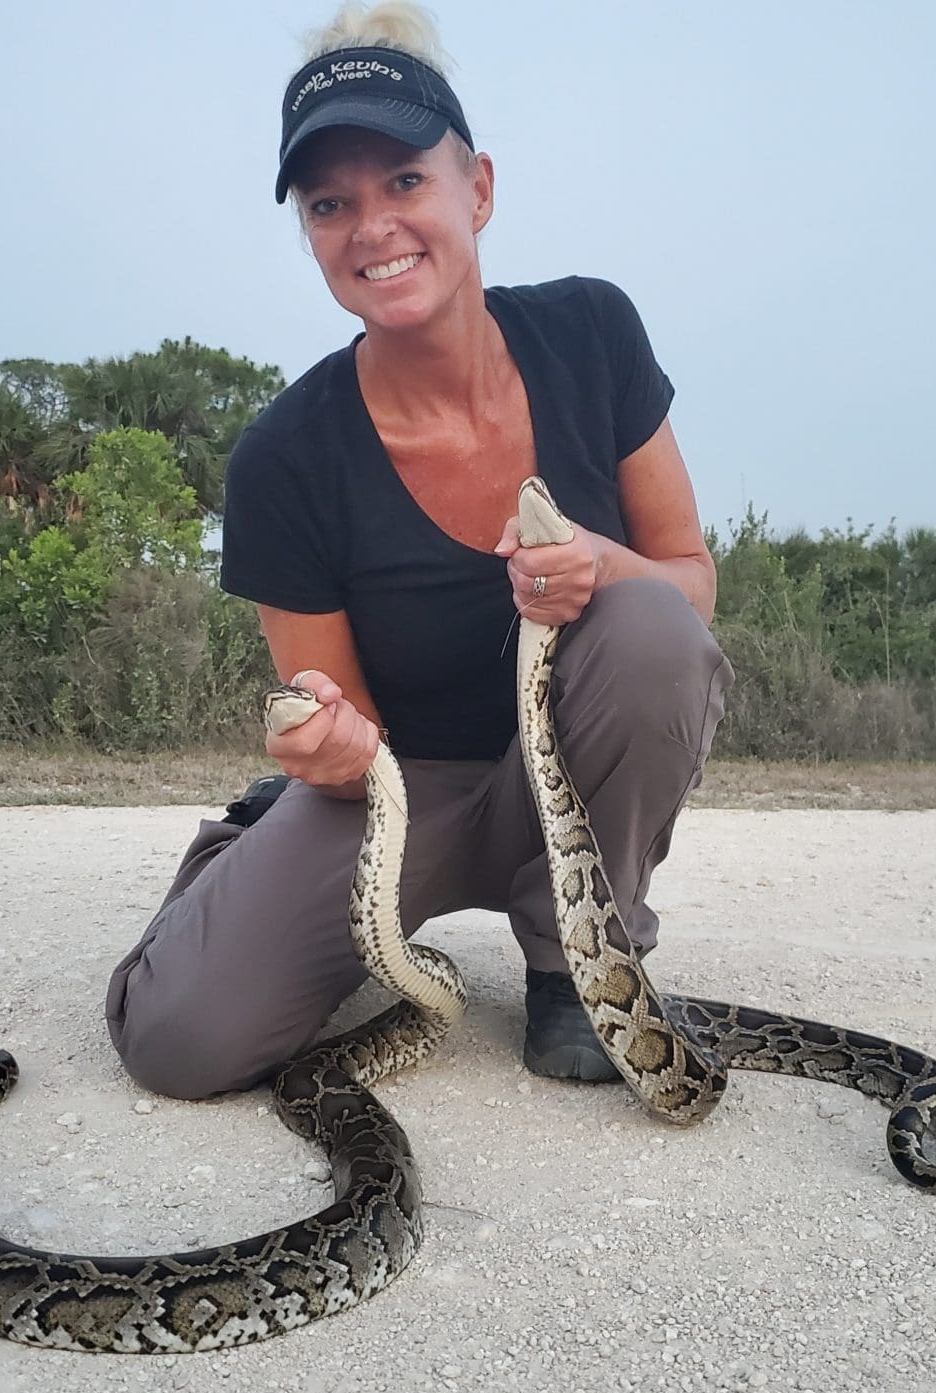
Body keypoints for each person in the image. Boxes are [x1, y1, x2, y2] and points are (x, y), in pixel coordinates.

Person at [104, 0, 731, 1097]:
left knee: (646, 630)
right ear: (307, 230)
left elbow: (690, 585)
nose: (372, 227)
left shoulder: (593, 332)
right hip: (407, 792)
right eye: (329, 203)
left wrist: (599, 563)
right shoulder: (283, 457)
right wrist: (327, 746)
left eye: (404, 182)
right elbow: (343, 719)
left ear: (476, 189)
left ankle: (573, 959)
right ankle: (243, 850)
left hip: (567, 782)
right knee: (180, 1046)